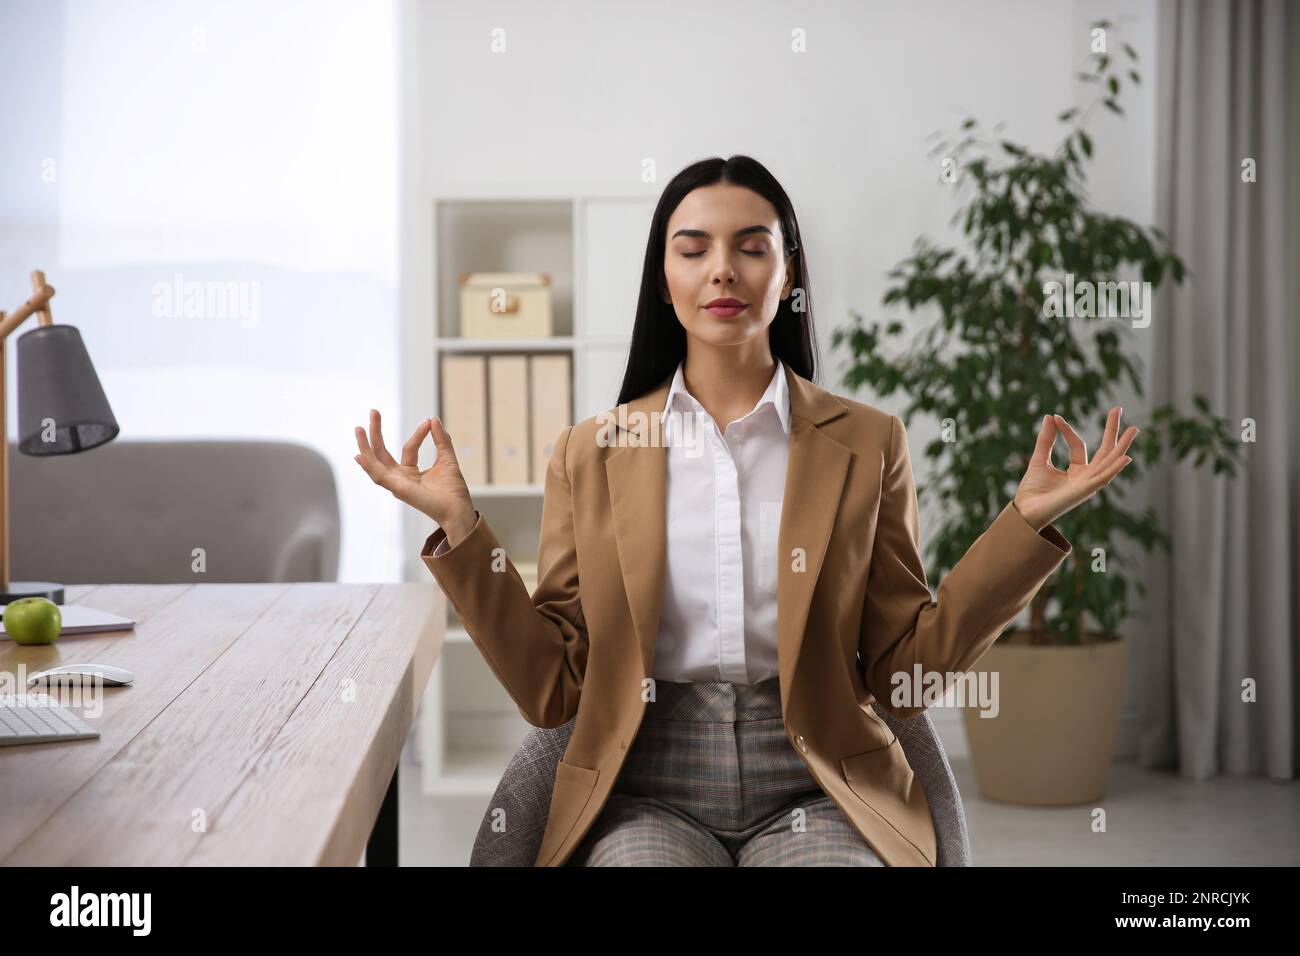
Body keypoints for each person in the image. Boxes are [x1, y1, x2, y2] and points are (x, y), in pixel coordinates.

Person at [353, 155, 1139, 866]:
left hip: (818, 781)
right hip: (646, 782)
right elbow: (555, 689)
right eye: (692, 249)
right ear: (663, 279)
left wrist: (1022, 527)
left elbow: (903, 675)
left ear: (789, 271)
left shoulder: (868, 443)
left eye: (752, 247)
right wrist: (462, 529)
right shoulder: (589, 453)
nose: (721, 270)